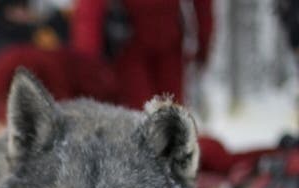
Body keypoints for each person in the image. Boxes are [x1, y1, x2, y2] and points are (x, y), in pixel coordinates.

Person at [71, 0, 213, 109]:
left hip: (164, 50)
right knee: (147, 120)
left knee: (166, 120)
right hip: (130, 47)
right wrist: (87, 66)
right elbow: (89, 11)